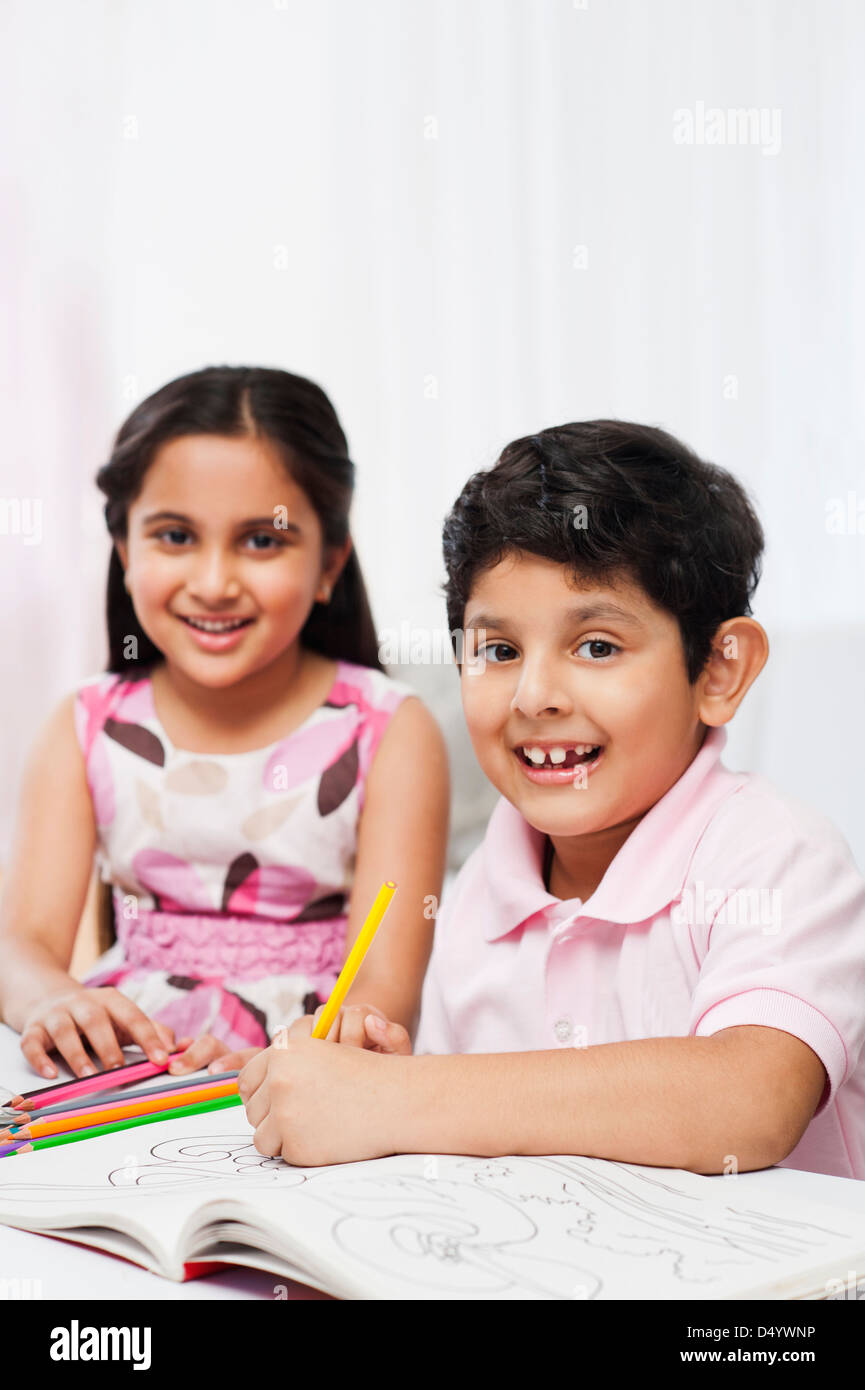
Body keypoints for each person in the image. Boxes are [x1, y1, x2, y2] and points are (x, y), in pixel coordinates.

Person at [237, 420, 865, 1180]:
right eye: (498, 651)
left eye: (596, 645)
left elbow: (748, 1098)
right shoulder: (474, 894)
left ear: (719, 671)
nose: (534, 696)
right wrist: (372, 1075)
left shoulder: (774, 854)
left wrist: (399, 1098)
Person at [0, 365, 449, 1083]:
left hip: (310, 1082)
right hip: (121, 1078)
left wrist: (302, 1058)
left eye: (261, 541)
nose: (213, 581)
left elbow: (385, 994)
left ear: (329, 562)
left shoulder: (389, 731)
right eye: (175, 536)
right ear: (124, 550)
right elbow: (20, 947)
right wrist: (56, 1001)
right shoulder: (84, 725)